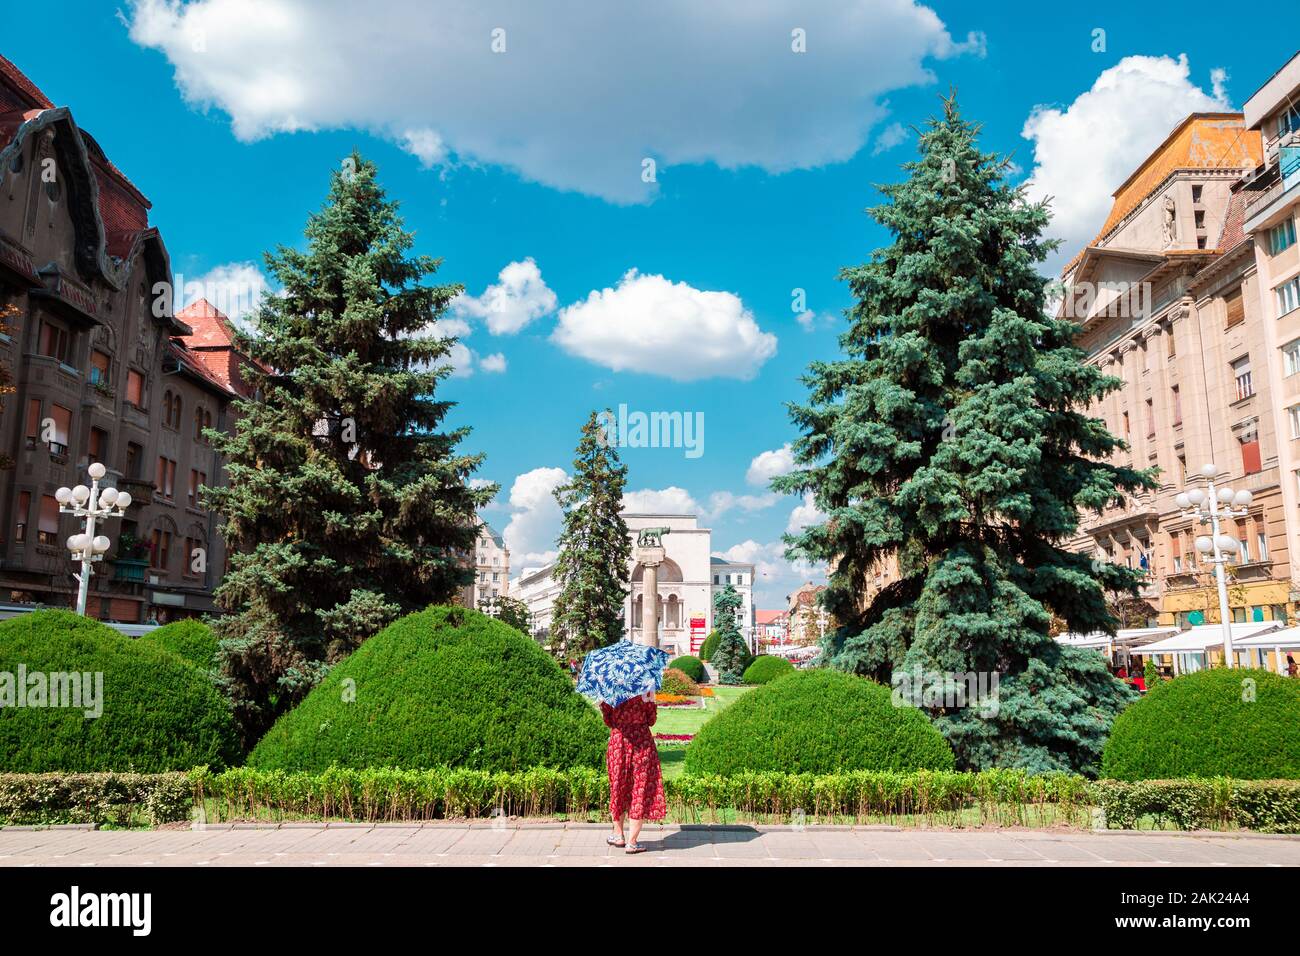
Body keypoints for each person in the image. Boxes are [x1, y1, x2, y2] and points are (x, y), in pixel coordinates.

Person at [600, 690, 666, 854]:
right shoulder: (646, 690)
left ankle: (618, 835)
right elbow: (651, 720)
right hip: (641, 742)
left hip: (619, 742)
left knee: (618, 786)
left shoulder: (611, 690)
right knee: (640, 788)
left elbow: (608, 720)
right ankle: (632, 841)